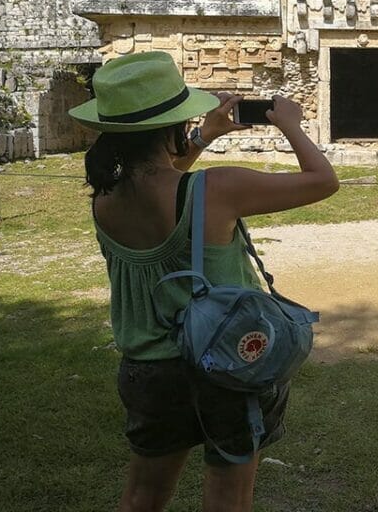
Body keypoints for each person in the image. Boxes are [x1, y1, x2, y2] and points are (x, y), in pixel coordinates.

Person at [69, 51, 338, 512]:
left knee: (142, 497)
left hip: (148, 369)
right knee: (228, 498)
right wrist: (289, 123)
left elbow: (166, 181)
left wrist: (202, 138)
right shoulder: (217, 189)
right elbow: (322, 180)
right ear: (171, 126)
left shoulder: (107, 201)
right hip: (224, 362)